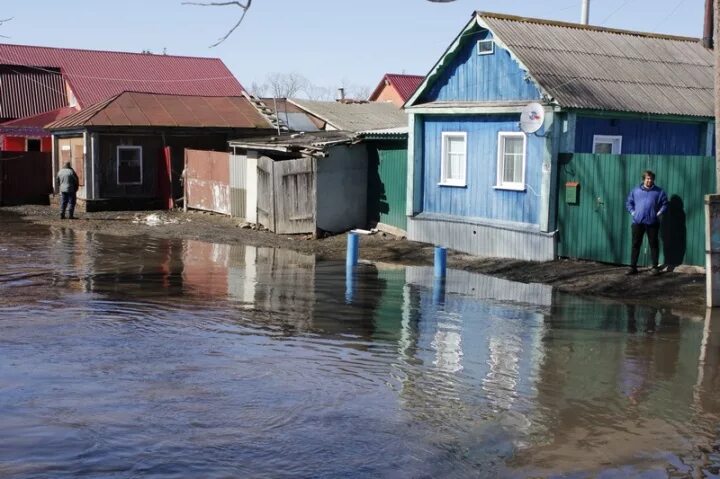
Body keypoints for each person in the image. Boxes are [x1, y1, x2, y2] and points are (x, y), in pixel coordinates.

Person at [625, 170, 668, 275]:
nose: (649, 180)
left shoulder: (659, 192)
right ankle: (633, 267)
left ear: (653, 180)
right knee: (635, 244)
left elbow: (665, 204)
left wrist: (659, 213)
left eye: (651, 178)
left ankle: (655, 267)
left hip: (652, 222)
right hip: (638, 222)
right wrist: (633, 212)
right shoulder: (635, 191)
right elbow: (629, 203)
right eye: (647, 178)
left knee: (653, 245)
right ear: (643, 179)